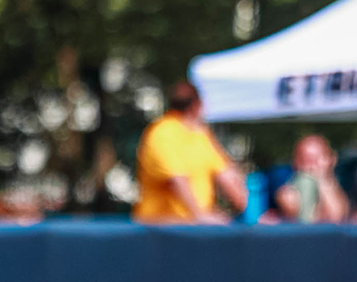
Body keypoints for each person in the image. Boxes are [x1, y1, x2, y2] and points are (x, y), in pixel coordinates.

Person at [131, 81, 247, 224]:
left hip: (191, 227)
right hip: (162, 229)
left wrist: (251, 215)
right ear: (197, 106)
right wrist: (200, 216)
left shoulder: (200, 135)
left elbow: (228, 178)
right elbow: (178, 179)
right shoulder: (163, 133)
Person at [270, 134, 348, 224]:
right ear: (295, 163)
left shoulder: (345, 185)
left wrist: (322, 180)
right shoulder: (287, 194)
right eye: (306, 160)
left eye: (317, 159)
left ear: (332, 159)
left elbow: (337, 217)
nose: (312, 166)